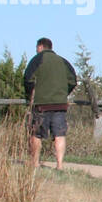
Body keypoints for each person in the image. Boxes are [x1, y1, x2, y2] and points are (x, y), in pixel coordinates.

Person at [23, 37, 78, 169]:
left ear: (41, 47)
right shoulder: (63, 61)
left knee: (36, 134)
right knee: (59, 134)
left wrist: (31, 94)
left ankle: (35, 163)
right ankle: (59, 165)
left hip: (41, 104)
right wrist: (63, 93)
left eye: (37, 47)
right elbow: (73, 81)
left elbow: (28, 79)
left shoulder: (37, 59)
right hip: (60, 104)